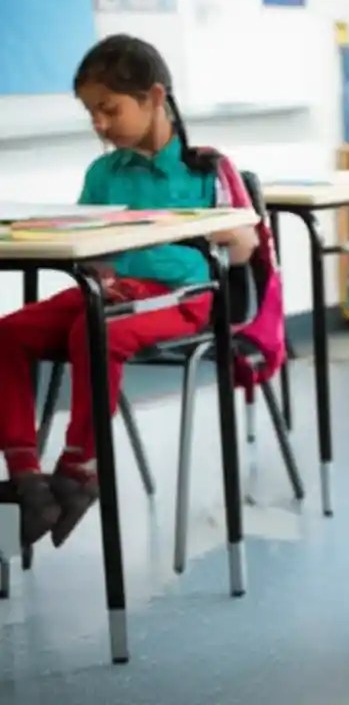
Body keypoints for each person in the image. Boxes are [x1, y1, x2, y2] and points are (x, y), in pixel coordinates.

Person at [0, 34, 258, 549]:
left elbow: (246, 247)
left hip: (186, 298)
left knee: (95, 332)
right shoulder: (102, 172)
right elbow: (89, 252)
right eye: (91, 112)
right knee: (9, 333)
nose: (99, 123)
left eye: (109, 109)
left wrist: (216, 227)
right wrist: (100, 274)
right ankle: (27, 480)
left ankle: (80, 471)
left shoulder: (205, 167)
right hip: (114, 292)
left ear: (155, 98)